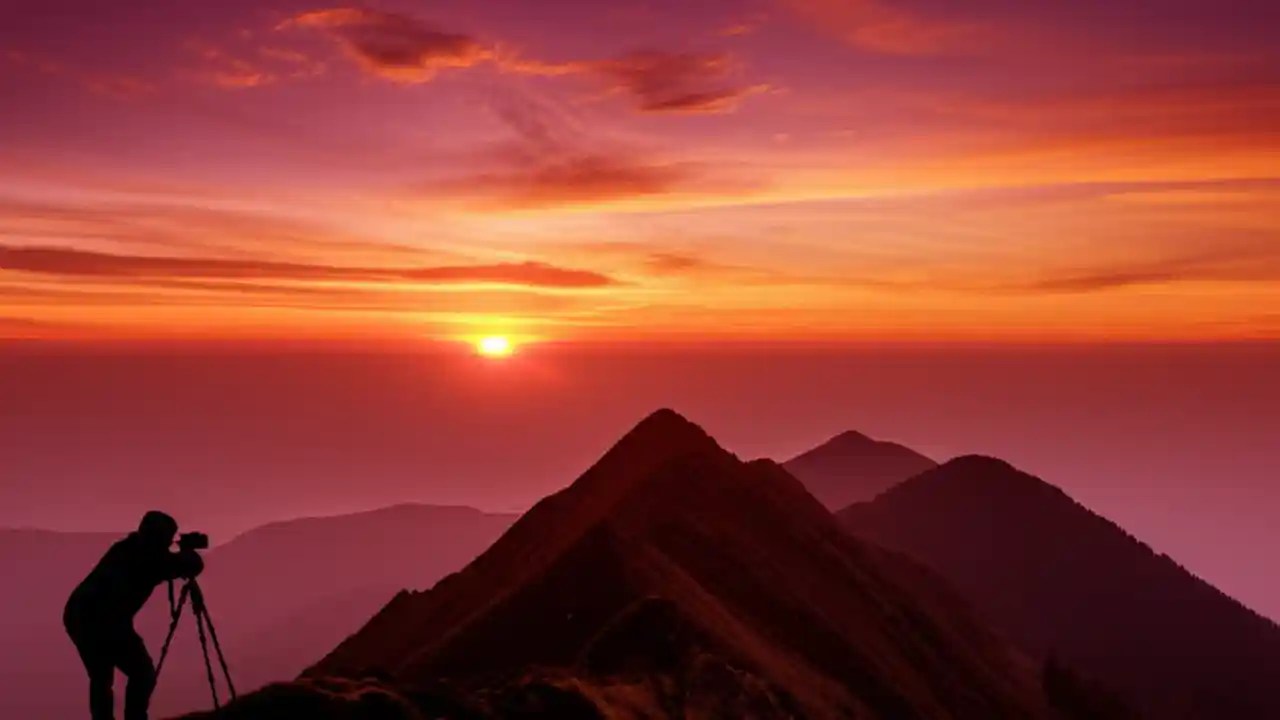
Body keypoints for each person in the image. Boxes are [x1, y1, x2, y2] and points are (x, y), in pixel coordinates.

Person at [64, 510, 204, 720]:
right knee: (142, 673)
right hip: (104, 621)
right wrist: (187, 552)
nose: (169, 544)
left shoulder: (127, 548)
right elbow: (190, 565)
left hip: (79, 614)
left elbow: (169, 564)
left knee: (101, 677)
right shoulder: (148, 559)